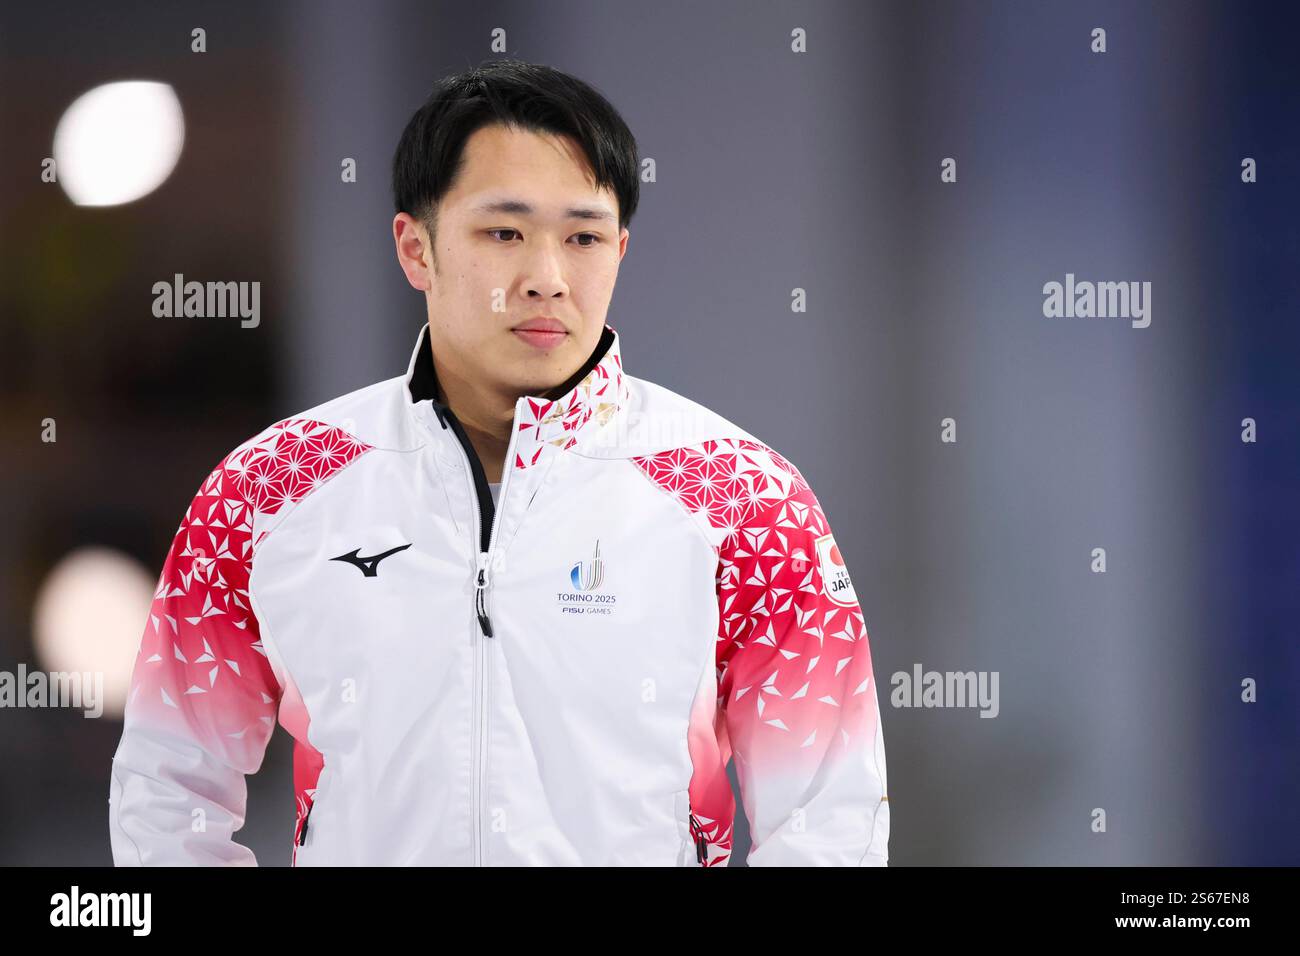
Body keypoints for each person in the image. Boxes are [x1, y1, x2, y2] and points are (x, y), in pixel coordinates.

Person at [108, 58, 889, 866]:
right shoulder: (268, 492)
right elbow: (168, 790)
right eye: (505, 232)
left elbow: (830, 821)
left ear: (620, 250)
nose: (547, 278)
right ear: (416, 249)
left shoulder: (747, 502)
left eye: (583, 237)